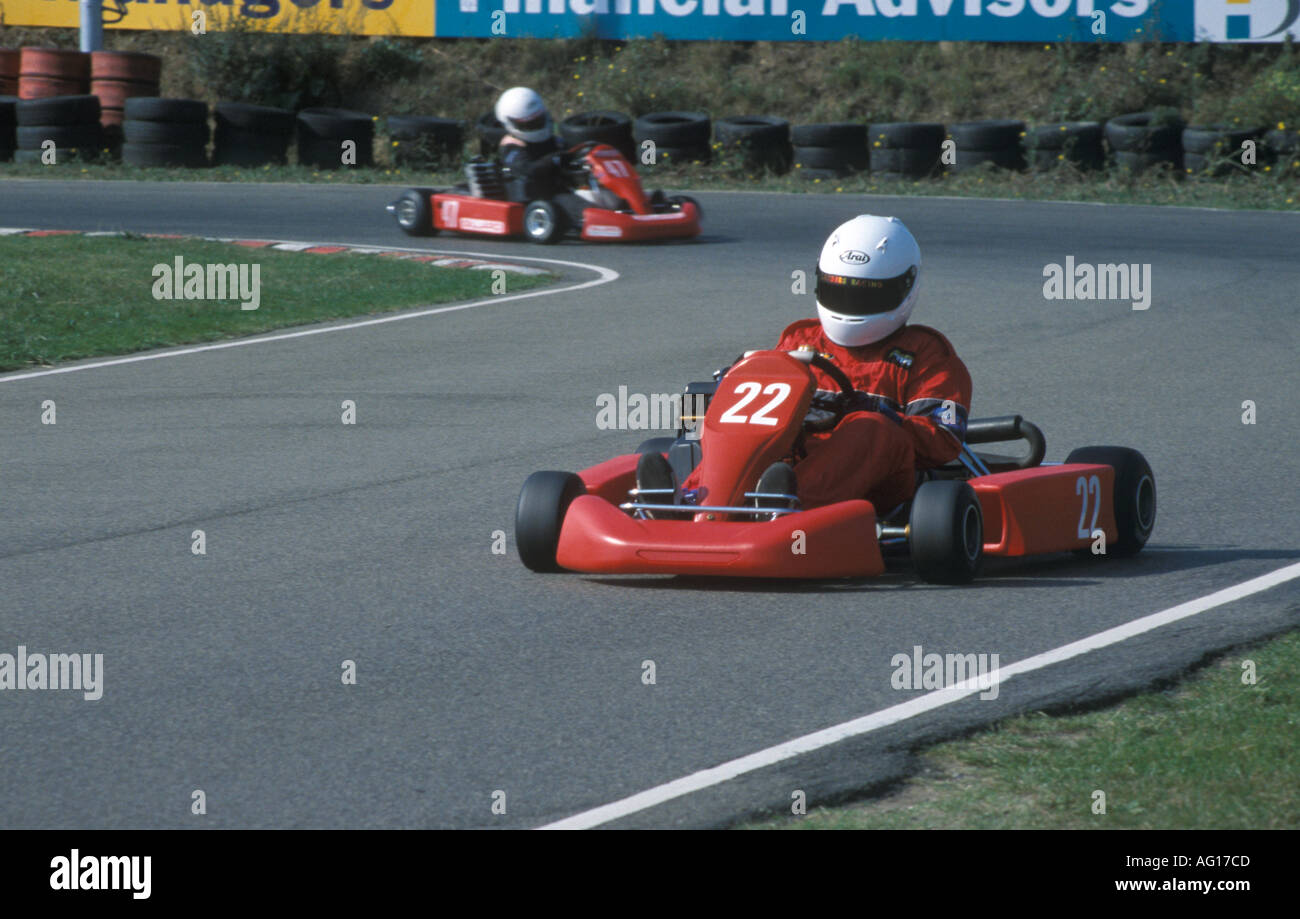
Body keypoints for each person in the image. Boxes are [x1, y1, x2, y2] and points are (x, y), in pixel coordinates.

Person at [638, 214, 972, 516]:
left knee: (871, 428)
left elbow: (943, 440)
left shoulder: (926, 353)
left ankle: (787, 507)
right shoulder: (801, 338)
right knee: (739, 421)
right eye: (838, 290)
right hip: (787, 463)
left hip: (880, 479)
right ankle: (690, 502)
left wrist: (882, 416)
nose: (850, 305)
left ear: (905, 286)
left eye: (866, 294)